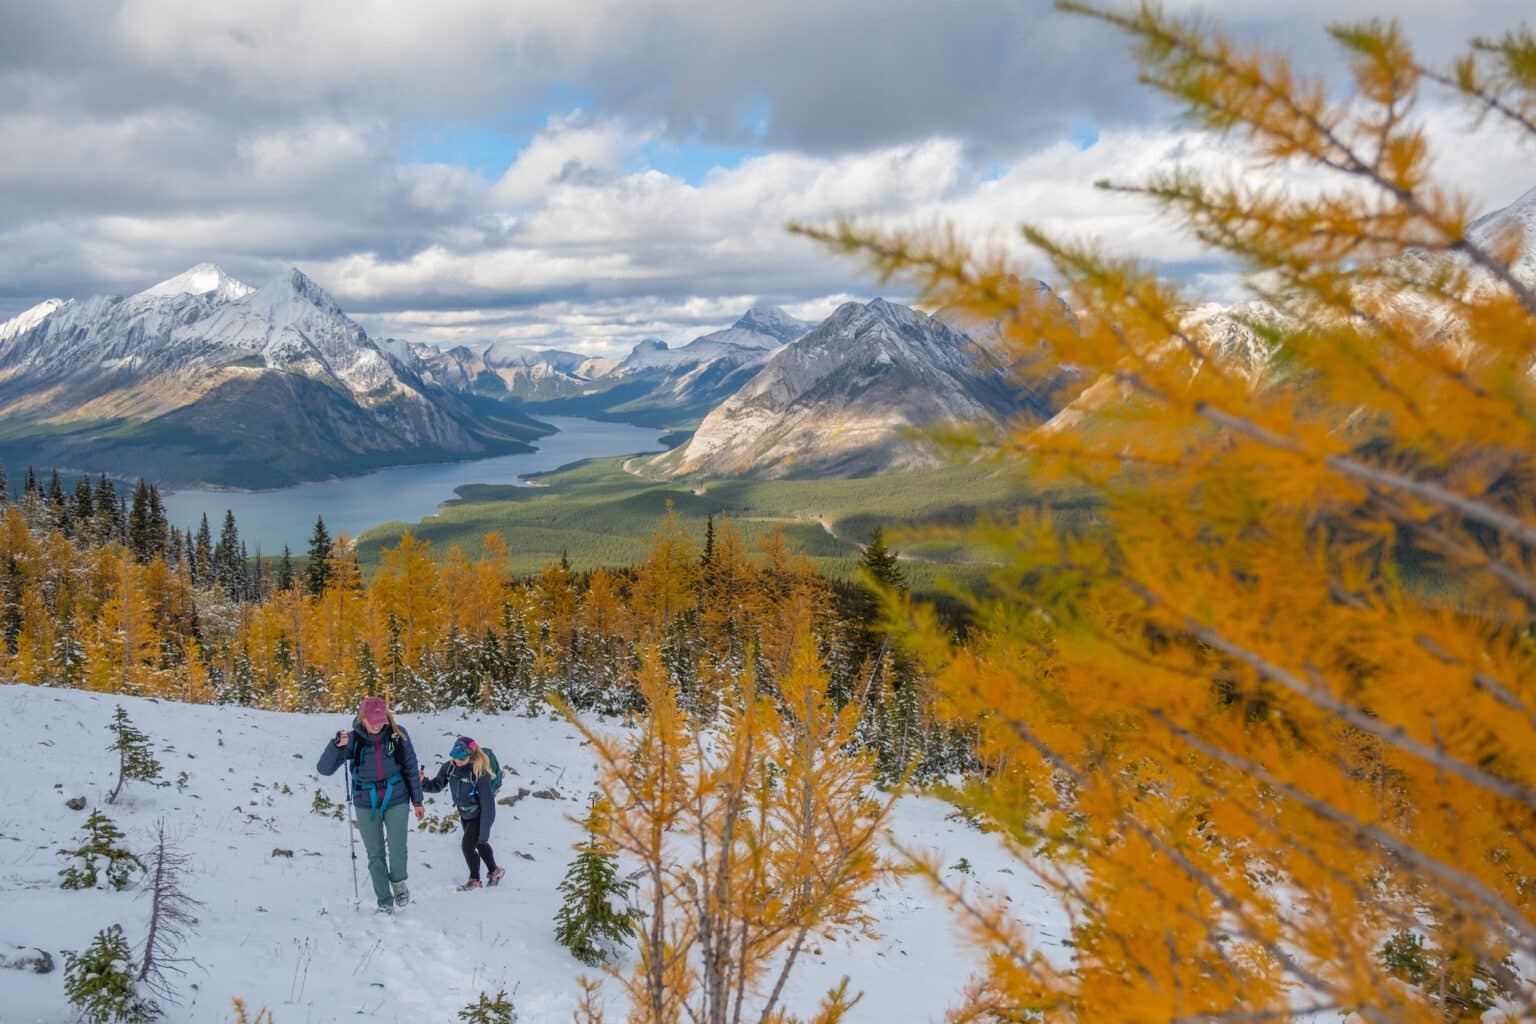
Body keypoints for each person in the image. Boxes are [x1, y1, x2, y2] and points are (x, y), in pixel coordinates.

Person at [317, 696, 425, 913]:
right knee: (375, 853)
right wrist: (336, 746)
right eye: (372, 721)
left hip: (397, 796)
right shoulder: (354, 740)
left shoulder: (394, 736)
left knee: (397, 848)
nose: (377, 726)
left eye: (380, 721)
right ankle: (384, 901)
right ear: (362, 718)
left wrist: (418, 800)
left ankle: (398, 883)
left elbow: (410, 767)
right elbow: (324, 769)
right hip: (366, 801)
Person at [421, 736, 504, 891]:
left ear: (470, 756)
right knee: (479, 844)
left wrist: (485, 830)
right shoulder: (450, 768)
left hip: (479, 815)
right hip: (464, 814)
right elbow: (436, 785)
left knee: (468, 846)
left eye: (461, 757)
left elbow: (488, 804)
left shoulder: (480, 773)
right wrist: (423, 782)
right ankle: (495, 871)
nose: (457, 760)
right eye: (454, 756)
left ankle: (474, 880)